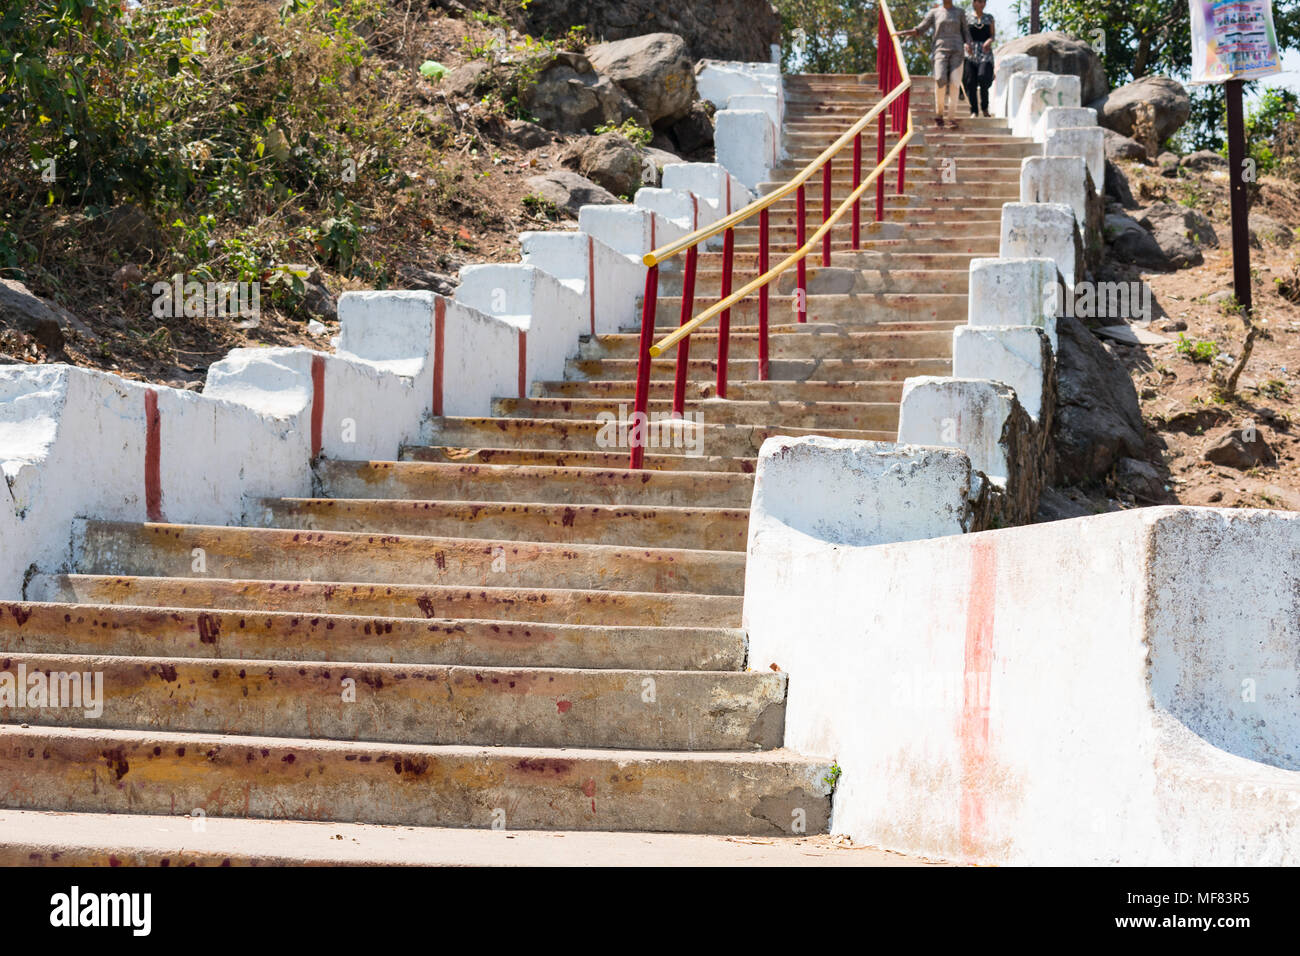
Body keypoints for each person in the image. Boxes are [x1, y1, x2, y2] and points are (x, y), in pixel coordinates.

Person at [898, 0, 973, 128]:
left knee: (955, 83)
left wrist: (969, 44)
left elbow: (966, 31)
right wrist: (905, 32)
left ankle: (951, 118)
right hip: (940, 50)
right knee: (940, 79)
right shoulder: (934, 12)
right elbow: (921, 28)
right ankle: (939, 113)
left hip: (957, 50)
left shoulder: (959, 12)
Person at [963, 0, 995, 117]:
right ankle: (974, 111)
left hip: (985, 52)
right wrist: (966, 44)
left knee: (983, 77)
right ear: (974, 3)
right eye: (979, 2)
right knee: (971, 81)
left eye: (983, 2)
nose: (981, 4)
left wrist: (989, 41)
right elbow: (964, 35)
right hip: (970, 52)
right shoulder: (967, 18)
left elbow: (992, 35)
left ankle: (985, 107)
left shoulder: (989, 18)